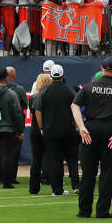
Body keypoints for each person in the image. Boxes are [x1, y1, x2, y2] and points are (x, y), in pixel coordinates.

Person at [71, 57, 112, 218]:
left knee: (88, 171)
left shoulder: (89, 86)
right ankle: (102, 210)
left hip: (91, 129)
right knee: (108, 172)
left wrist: (82, 127)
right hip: (111, 130)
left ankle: (84, 210)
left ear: (102, 69)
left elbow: (74, 105)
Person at [36, 65, 80, 196]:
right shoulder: (70, 90)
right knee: (72, 159)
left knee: (55, 160)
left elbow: (38, 111)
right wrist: (78, 125)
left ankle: (57, 189)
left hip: (50, 131)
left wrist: (41, 127)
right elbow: (77, 107)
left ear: (51, 76)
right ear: (63, 75)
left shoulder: (44, 91)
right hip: (69, 130)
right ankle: (77, 186)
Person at [28, 73, 52, 194]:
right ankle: (51, 182)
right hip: (47, 129)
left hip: (35, 130)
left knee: (36, 159)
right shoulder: (49, 97)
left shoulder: (33, 97)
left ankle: (33, 187)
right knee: (52, 157)